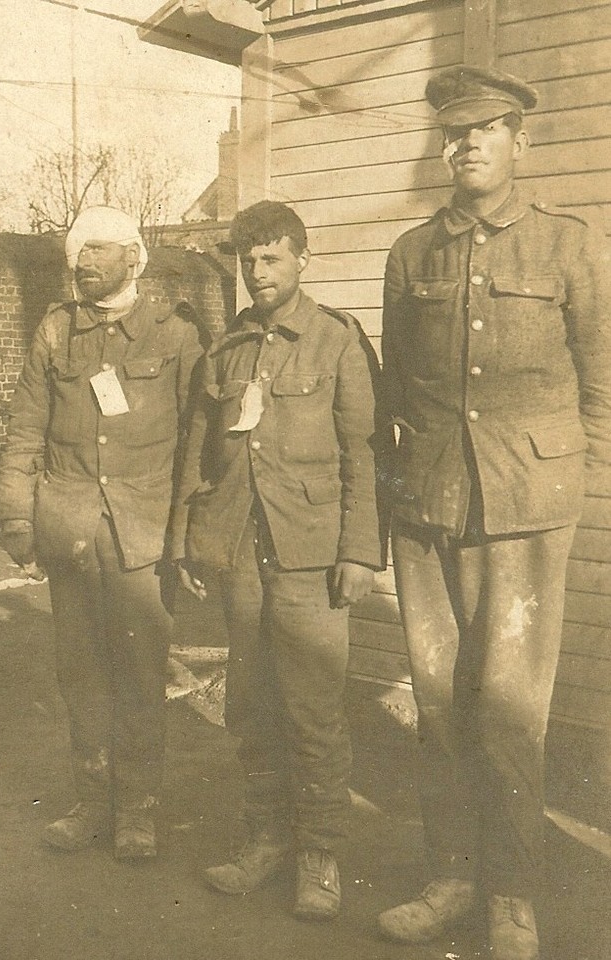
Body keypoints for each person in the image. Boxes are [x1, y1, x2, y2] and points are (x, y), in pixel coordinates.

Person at [376, 66, 611, 960]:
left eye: (487, 129)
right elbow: (400, 386)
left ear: (523, 142)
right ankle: (451, 877)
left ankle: (512, 894)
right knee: (440, 702)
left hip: (527, 508)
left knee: (511, 709)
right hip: (430, 503)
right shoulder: (412, 253)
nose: (467, 144)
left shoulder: (569, 246)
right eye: (454, 131)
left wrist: (573, 492)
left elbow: (602, 388)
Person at [173, 200, 385, 920]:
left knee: (314, 710)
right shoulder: (228, 351)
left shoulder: (336, 342)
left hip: (311, 558)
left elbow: (362, 453)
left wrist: (360, 550)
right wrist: (192, 541)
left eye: (271, 259)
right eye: (248, 260)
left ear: (302, 260)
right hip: (240, 555)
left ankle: (319, 854)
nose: (258, 273)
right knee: (251, 704)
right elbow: (202, 457)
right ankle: (265, 841)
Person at [0, 206, 202, 860]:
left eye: (100, 251)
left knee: (140, 677)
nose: (84, 262)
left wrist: (186, 538)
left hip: (141, 539)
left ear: (134, 259)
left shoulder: (176, 337)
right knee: (80, 674)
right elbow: (26, 429)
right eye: (79, 251)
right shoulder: (58, 331)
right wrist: (17, 517)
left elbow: (197, 446)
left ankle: (137, 811)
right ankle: (91, 802)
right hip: (72, 533)